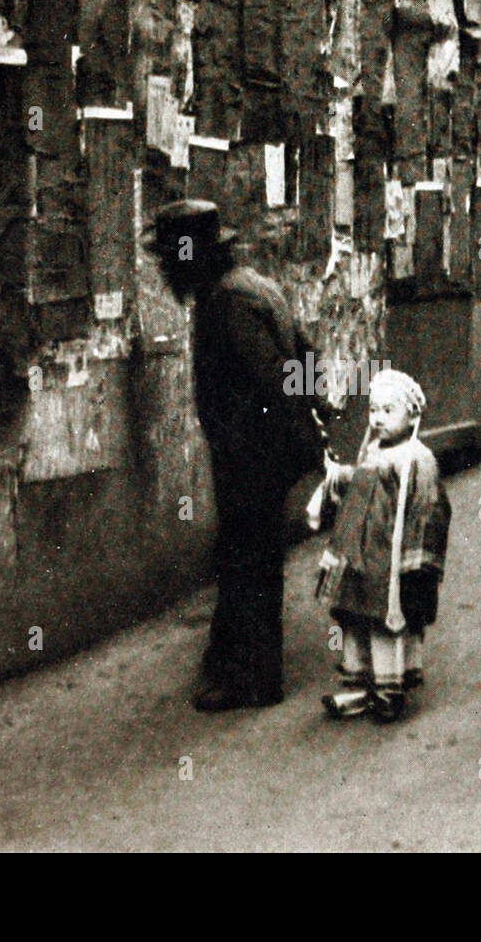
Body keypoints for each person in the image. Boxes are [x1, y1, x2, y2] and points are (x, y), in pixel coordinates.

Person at [147, 199, 325, 712]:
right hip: (260, 454)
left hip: (253, 457)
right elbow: (306, 354)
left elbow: (273, 375)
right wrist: (311, 412)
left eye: (169, 260)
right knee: (244, 558)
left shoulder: (226, 302)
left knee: (249, 563)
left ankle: (255, 680)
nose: (165, 272)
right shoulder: (252, 284)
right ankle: (230, 661)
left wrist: (270, 441)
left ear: (191, 255)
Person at [313, 369, 451, 723]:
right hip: (358, 555)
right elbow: (360, 486)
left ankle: (389, 686)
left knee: (384, 622)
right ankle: (359, 681)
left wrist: (415, 560)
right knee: (354, 615)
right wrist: (337, 475)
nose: (377, 418)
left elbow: (430, 510)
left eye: (389, 410)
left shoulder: (417, 459)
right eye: (374, 409)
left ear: (412, 415)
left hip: (388, 559)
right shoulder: (372, 449)